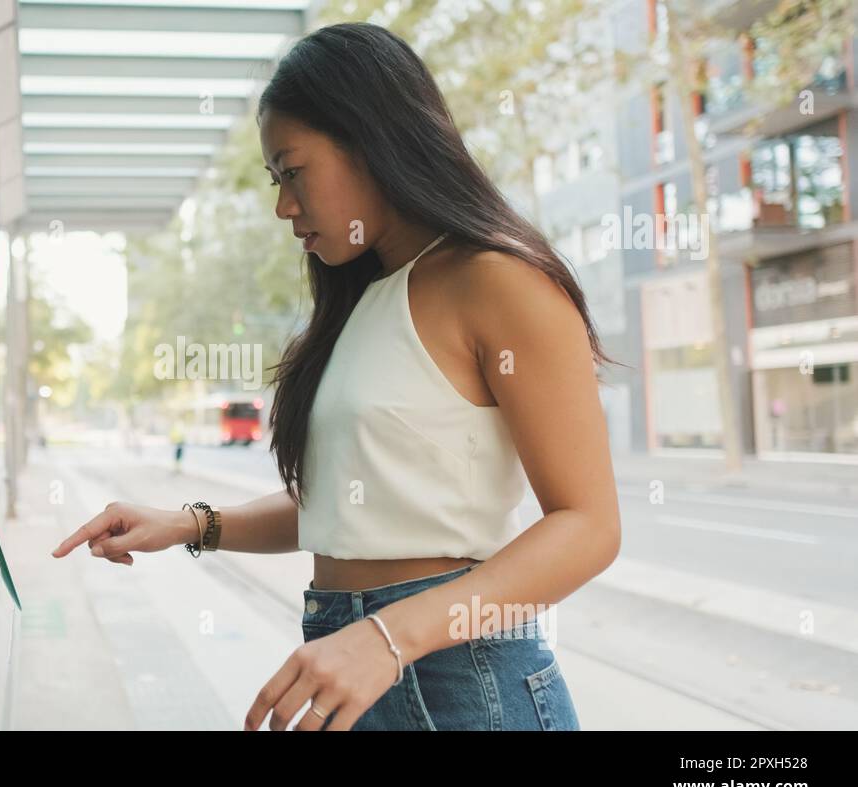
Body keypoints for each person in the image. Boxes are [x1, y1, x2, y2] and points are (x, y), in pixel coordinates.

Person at [52, 22, 622, 731]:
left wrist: (388, 635)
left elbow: (589, 525)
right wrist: (189, 524)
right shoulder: (362, 300)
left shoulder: (498, 281)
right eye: (274, 180)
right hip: (352, 668)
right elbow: (350, 508)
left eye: (292, 171)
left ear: (370, 139)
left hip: (457, 681)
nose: (283, 206)